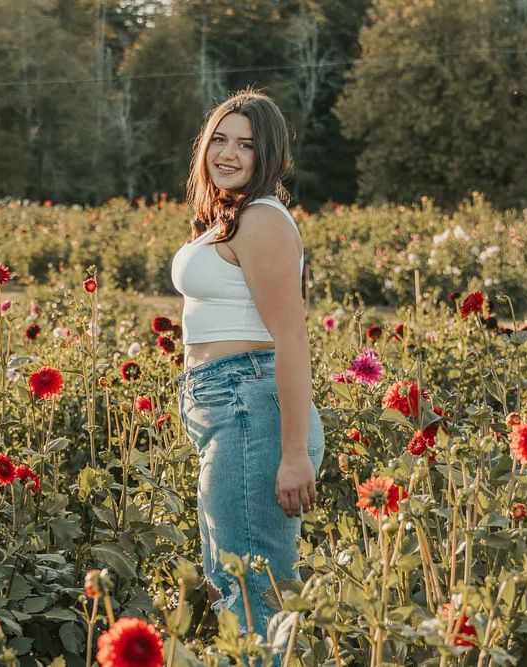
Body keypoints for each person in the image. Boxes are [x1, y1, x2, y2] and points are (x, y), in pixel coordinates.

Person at [170, 87, 326, 654]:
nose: (228, 153)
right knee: (227, 586)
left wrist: (291, 454)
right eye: (220, 139)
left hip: (251, 408)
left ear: (271, 157)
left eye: (247, 145)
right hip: (224, 406)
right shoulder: (231, 218)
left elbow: (290, 336)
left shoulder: (261, 220)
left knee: (251, 594)